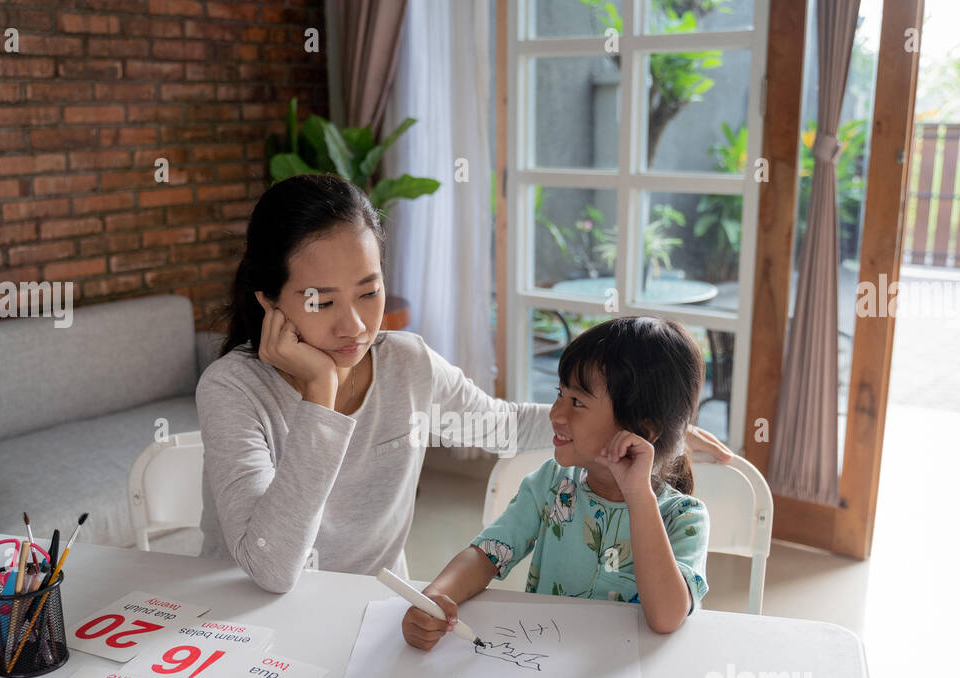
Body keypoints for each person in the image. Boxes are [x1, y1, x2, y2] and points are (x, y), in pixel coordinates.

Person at [198, 173, 732, 592]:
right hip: (245, 623)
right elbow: (272, 570)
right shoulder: (232, 389)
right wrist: (322, 399)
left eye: (368, 292)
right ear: (268, 301)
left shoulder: (406, 365)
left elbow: (500, 426)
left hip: (368, 615)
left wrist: (642, 428)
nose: (356, 326)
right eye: (322, 300)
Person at [402, 315, 710, 642]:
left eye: (577, 402)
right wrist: (435, 596)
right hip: (544, 665)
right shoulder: (552, 485)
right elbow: (486, 555)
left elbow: (665, 618)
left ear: (640, 431)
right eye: (559, 393)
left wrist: (638, 496)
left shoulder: (685, 518)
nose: (555, 413)